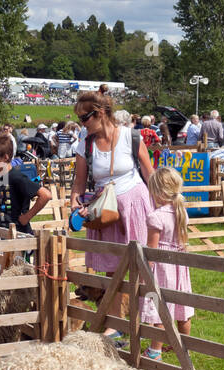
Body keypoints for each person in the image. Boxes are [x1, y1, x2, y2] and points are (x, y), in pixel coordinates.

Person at [71, 90, 156, 340]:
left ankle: (147, 320)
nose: (81, 124)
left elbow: (150, 174)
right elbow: (79, 183)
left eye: (84, 118)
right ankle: (117, 324)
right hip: (105, 211)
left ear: (101, 114)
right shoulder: (84, 143)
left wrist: (163, 207)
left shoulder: (131, 137)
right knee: (113, 269)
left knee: (142, 265)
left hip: (135, 204)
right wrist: (75, 202)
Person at [140, 166, 194, 361]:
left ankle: (155, 351)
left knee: (160, 308)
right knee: (182, 308)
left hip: (163, 268)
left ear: (157, 192)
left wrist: (144, 274)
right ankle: (183, 347)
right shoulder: (181, 212)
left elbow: (152, 252)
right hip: (180, 266)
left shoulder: (156, 217)